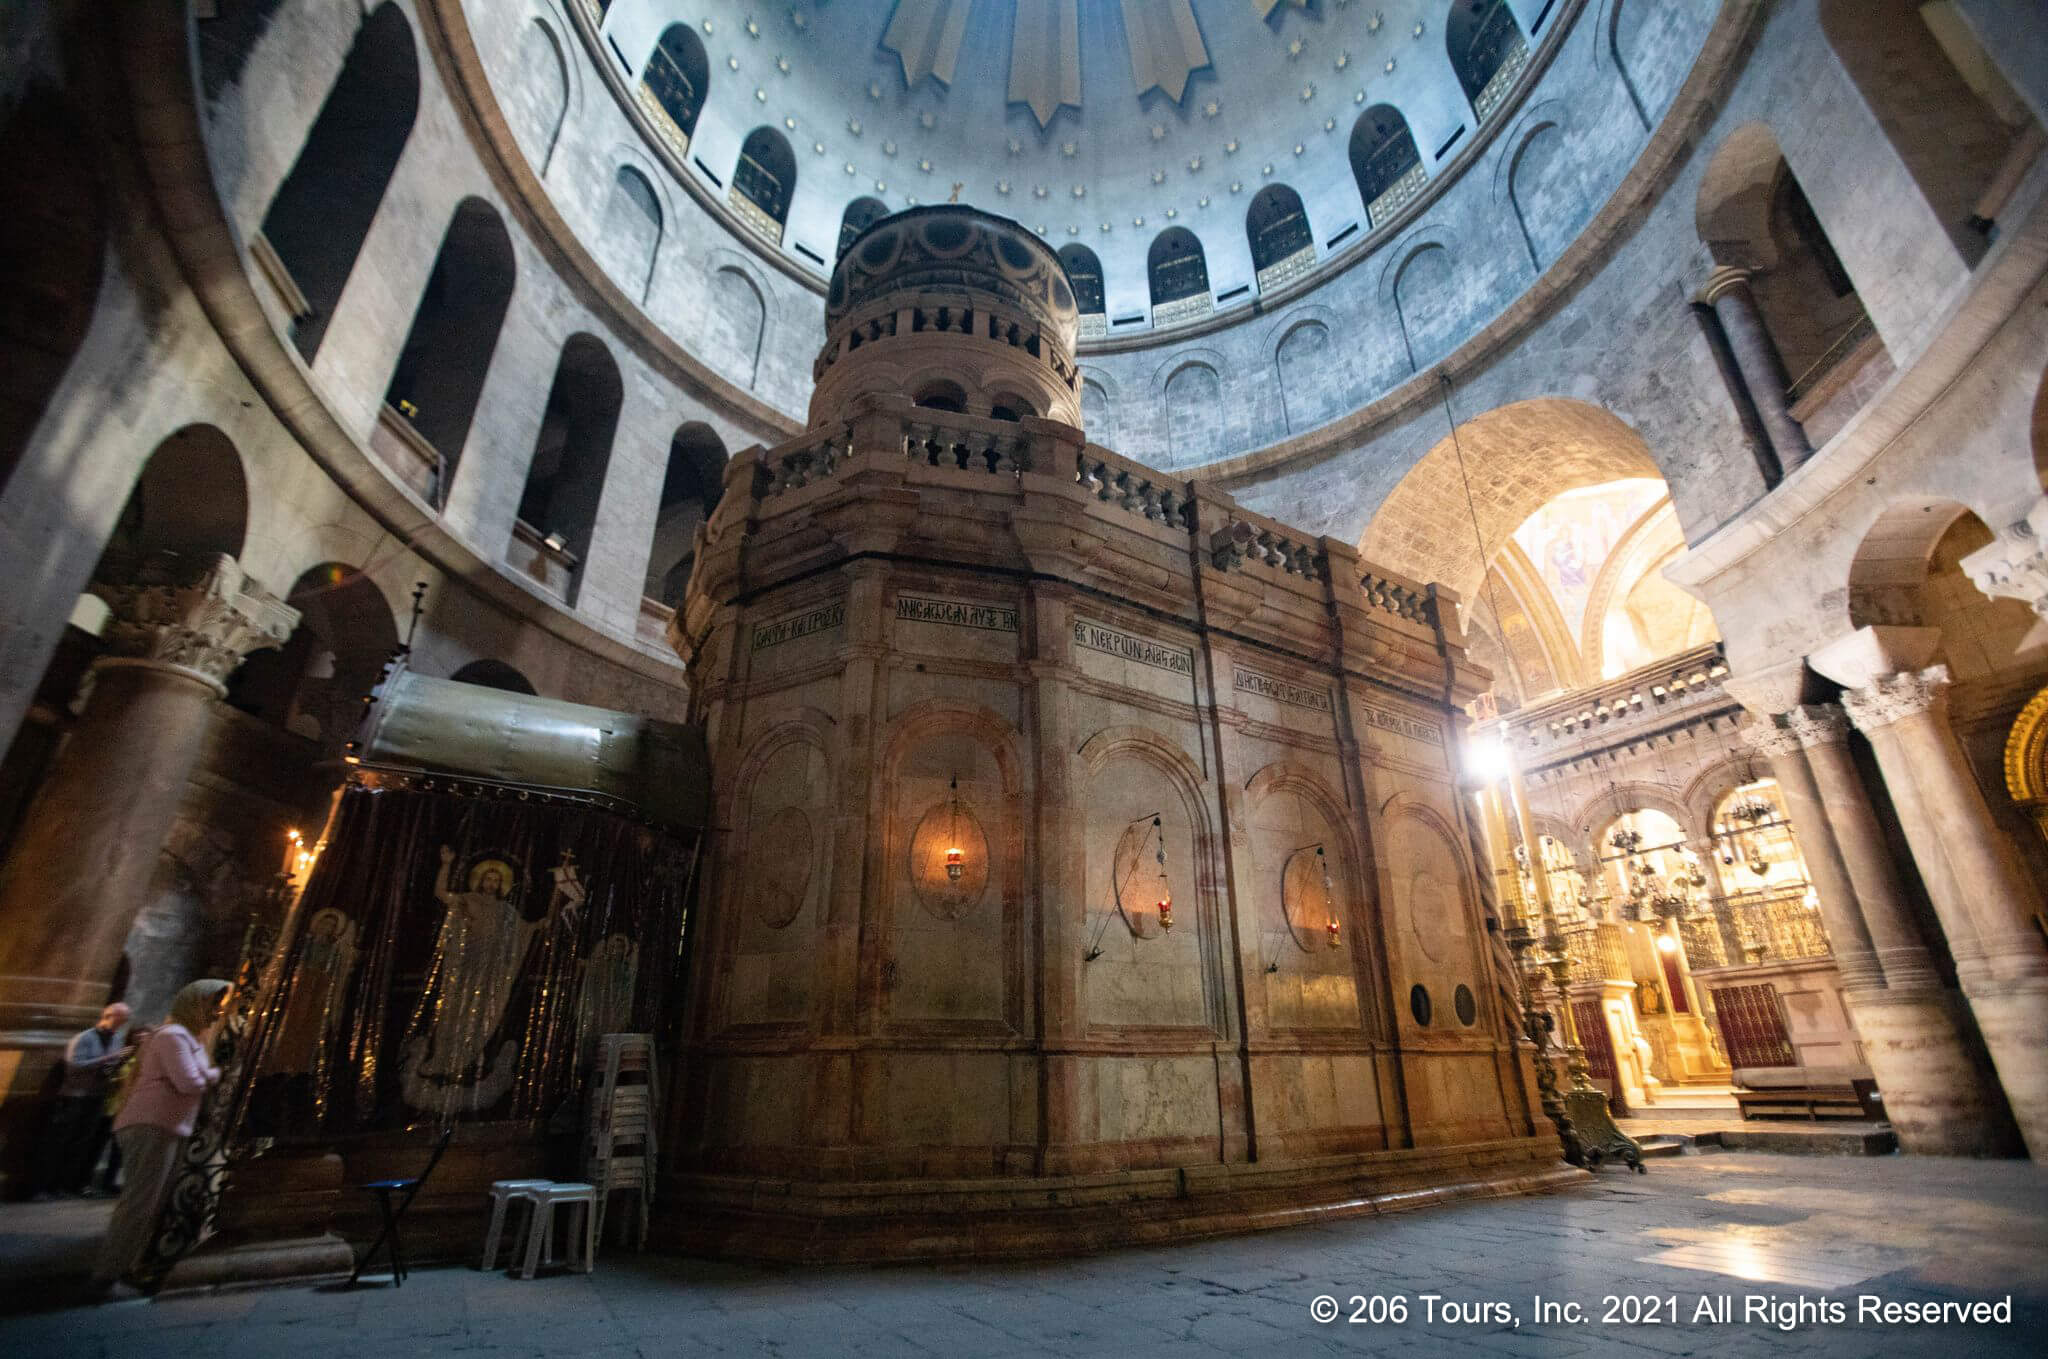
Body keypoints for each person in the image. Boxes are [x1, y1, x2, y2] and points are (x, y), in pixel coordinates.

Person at [90, 980, 230, 1297]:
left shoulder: (188, 1038)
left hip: (169, 1125)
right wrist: (215, 1073)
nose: (216, 1013)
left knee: (152, 1202)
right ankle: (108, 1275)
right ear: (195, 1004)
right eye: (213, 1005)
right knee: (140, 1202)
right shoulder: (172, 1036)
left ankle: (136, 1266)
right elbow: (189, 1081)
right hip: (150, 1124)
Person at [30, 1002, 132, 1199]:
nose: (122, 1023)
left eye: (125, 1020)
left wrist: (116, 1065)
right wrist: (108, 1058)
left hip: (95, 1096)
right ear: (108, 1015)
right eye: (120, 1019)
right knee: (57, 1142)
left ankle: (64, 1185)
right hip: (73, 1096)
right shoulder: (85, 1038)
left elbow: (108, 1066)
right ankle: (40, 1187)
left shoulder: (116, 1038)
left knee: (80, 1144)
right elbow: (74, 1065)